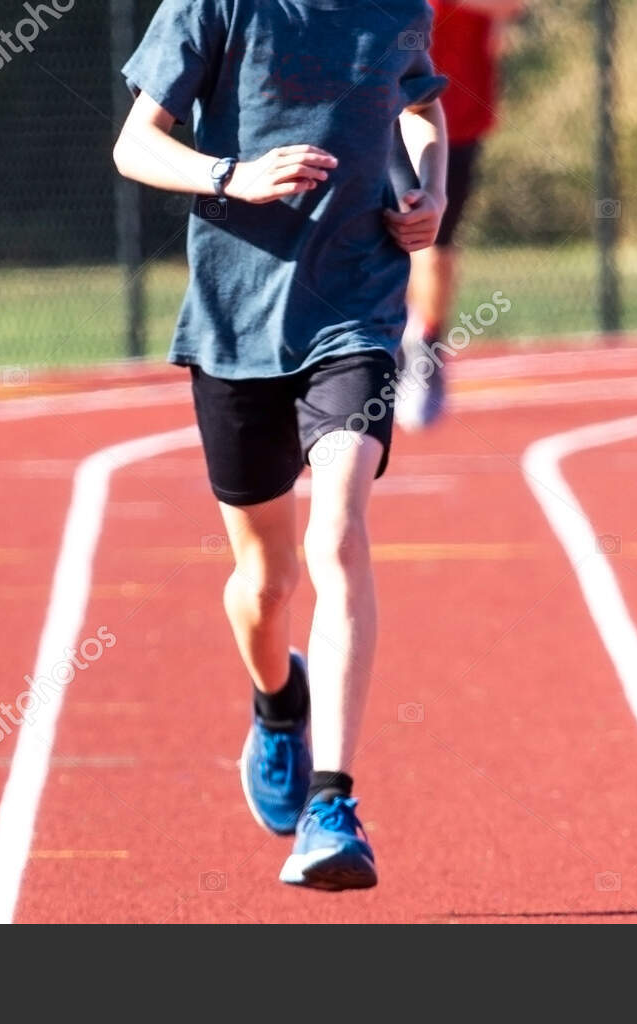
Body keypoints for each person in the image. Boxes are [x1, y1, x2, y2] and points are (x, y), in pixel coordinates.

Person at [113, 0, 448, 890]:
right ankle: (276, 704)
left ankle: (333, 802)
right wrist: (233, 176)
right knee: (265, 584)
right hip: (234, 324)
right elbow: (135, 143)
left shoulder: (397, 9)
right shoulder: (214, 6)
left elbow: (421, 105)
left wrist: (431, 190)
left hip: (357, 312)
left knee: (336, 534)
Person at [395, 0, 524, 432]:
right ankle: (394, 337)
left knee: (433, 242)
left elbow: (511, 8)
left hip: (457, 115)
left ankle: (426, 347)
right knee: (389, 233)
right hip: (385, 108)